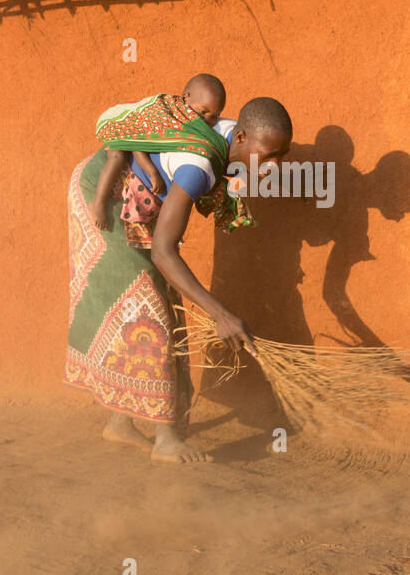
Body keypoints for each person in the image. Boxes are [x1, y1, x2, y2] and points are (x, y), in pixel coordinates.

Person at [64, 96, 293, 464]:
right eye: (268, 156)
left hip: (139, 198)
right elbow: (163, 252)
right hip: (102, 195)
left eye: (283, 156)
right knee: (149, 306)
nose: (275, 166)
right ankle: (166, 439)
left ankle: (120, 424)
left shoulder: (234, 138)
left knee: (162, 296)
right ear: (242, 138)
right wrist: (221, 315)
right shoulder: (197, 166)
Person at [87, 73, 227, 231]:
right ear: (185, 99)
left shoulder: (189, 120)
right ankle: (98, 202)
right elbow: (139, 144)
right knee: (117, 156)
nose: (207, 120)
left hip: (137, 124)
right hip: (115, 121)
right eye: (203, 112)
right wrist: (152, 172)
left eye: (215, 116)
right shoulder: (167, 116)